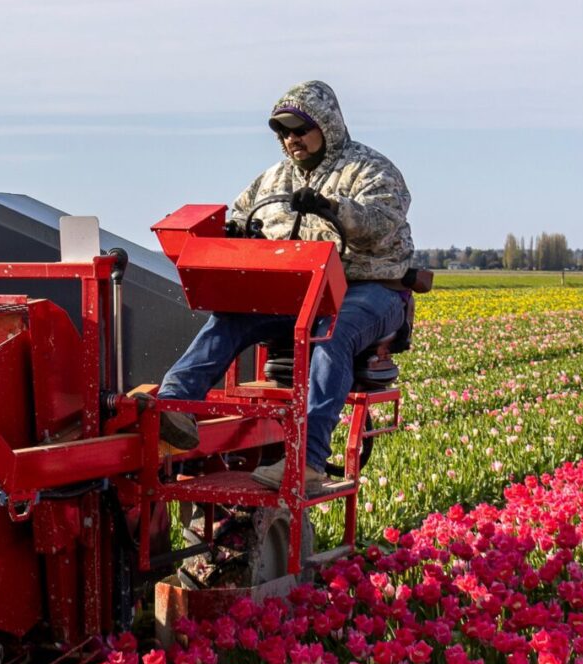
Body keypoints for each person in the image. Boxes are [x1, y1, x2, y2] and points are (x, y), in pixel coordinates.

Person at [154, 80, 415, 493]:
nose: (291, 139)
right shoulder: (272, 180)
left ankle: (308, 460)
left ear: (327, 126)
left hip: (370, 289)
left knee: (331, 331)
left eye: (300, 129)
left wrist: (333, 208)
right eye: (283, 131)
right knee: (231, 318)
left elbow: (380, 222)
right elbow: (241, 215)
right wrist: (234, 232)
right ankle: (174, 405)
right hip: (301, 290)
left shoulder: (370, 170)